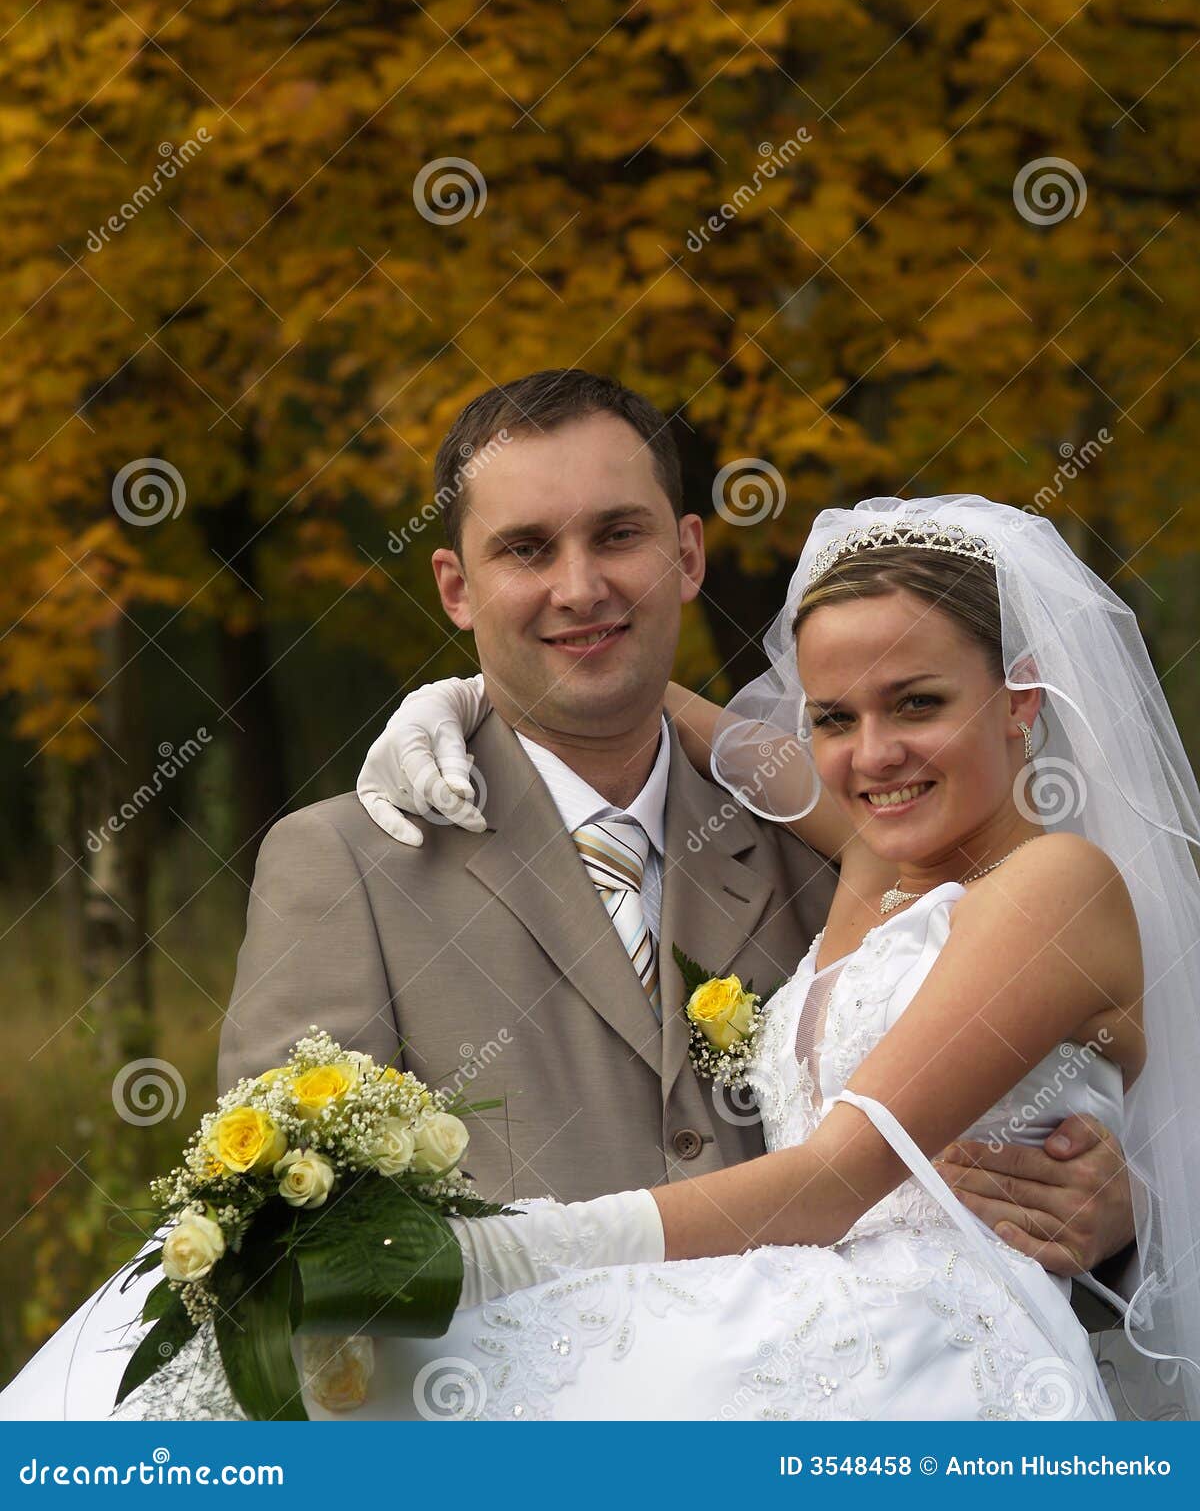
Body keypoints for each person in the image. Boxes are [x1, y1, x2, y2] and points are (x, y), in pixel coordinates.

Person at [0, 379, 1144, 1420]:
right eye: (525, 549)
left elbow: (1045, 1093)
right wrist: (463, 692)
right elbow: (296, 1231)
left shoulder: (854, 843)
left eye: (619, 535)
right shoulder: (344, 863)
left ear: (689, 554)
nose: (580, 586)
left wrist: (1118, 1217)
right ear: (456, 584)